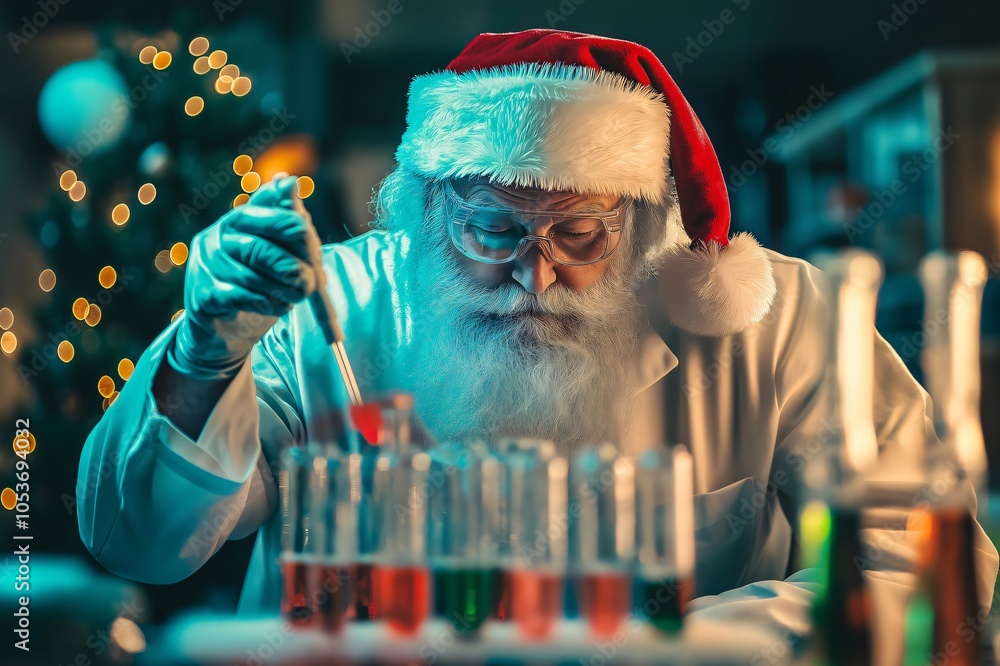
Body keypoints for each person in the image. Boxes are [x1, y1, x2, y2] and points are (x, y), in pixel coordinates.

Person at [76, 29, 996, 658]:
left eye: (580, 235)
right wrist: (205, 353)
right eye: (493, 230)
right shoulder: (331, 304)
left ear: (640, 228)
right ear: (429, 212)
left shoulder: (779, 315)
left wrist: (671, 652)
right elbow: (142, 541)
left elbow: (927, 568)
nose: (536, 272)